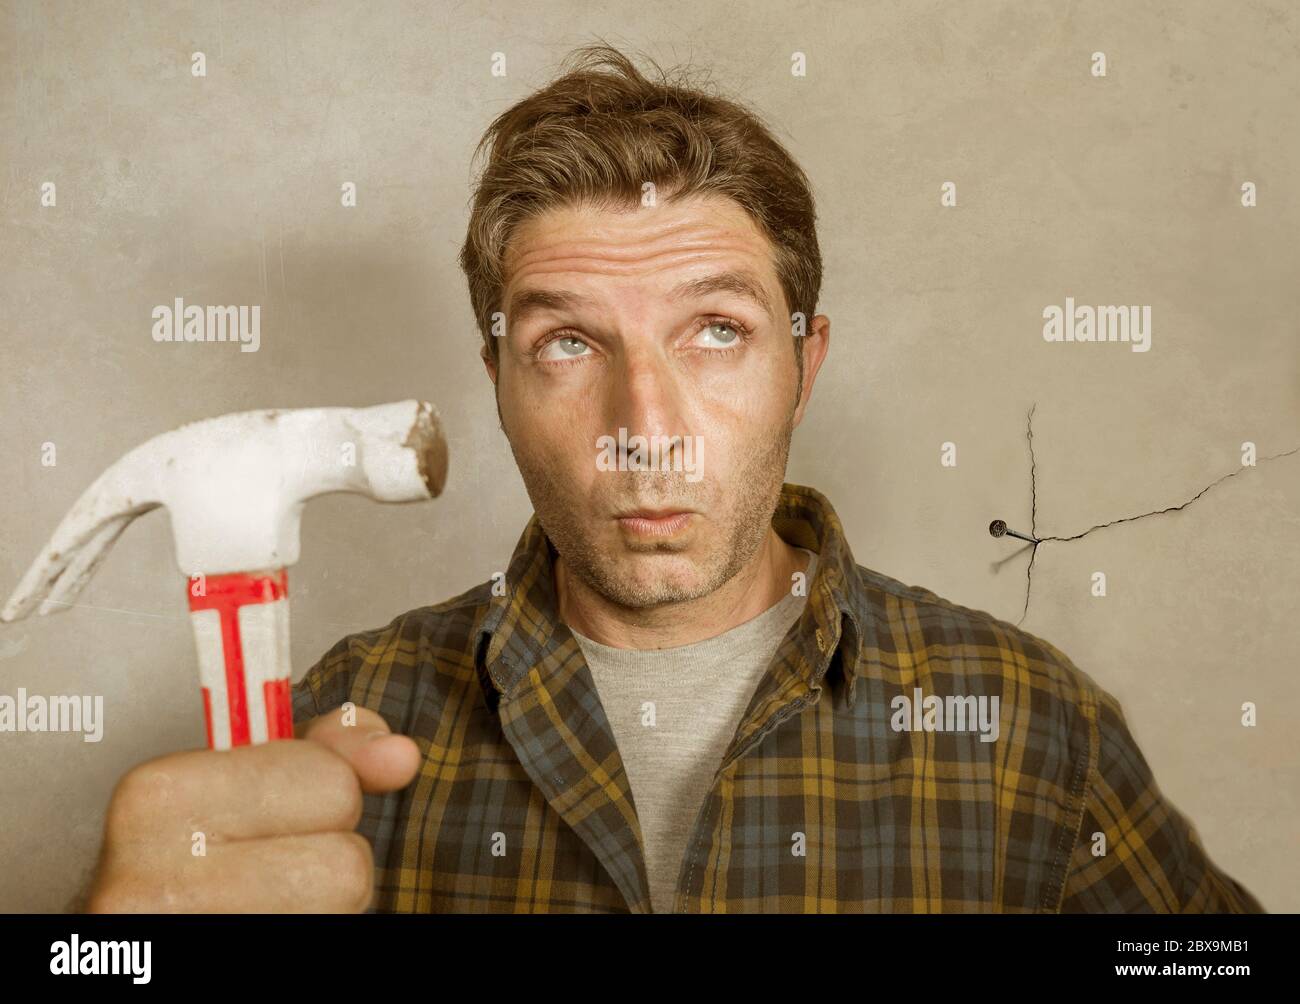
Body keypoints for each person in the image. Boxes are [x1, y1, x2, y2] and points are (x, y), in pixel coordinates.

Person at [84, 43, 1263, 914]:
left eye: (713, 332)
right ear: (495, 375)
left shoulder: (1028, 727)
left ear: (805, 363)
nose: (643, 426)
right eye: (568, 342)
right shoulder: (348, 725)